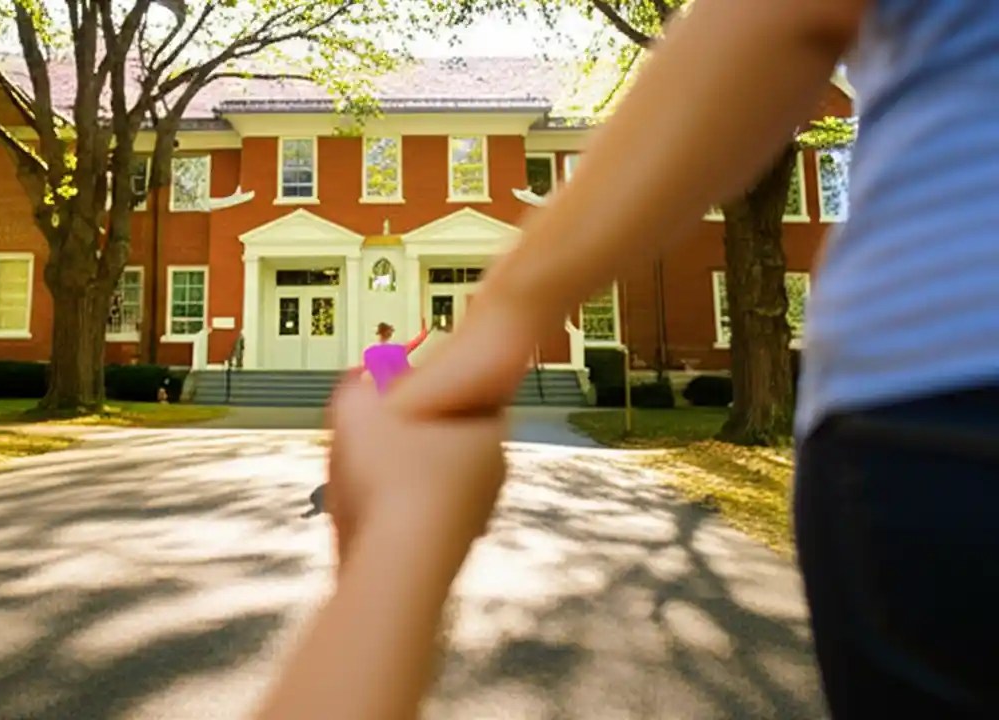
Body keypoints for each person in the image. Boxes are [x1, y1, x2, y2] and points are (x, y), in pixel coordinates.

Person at [256, 1, 999, 718]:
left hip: (937, 381)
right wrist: (497, 320)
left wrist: (488, 340)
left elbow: (786, 17)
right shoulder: (392, 343)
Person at [301, 321, 430, 519]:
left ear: (378, 334)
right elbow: (416, 344)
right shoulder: (398, 351)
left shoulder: (370, 353)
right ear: (390, 333)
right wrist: (424, 331)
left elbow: (365, 372)